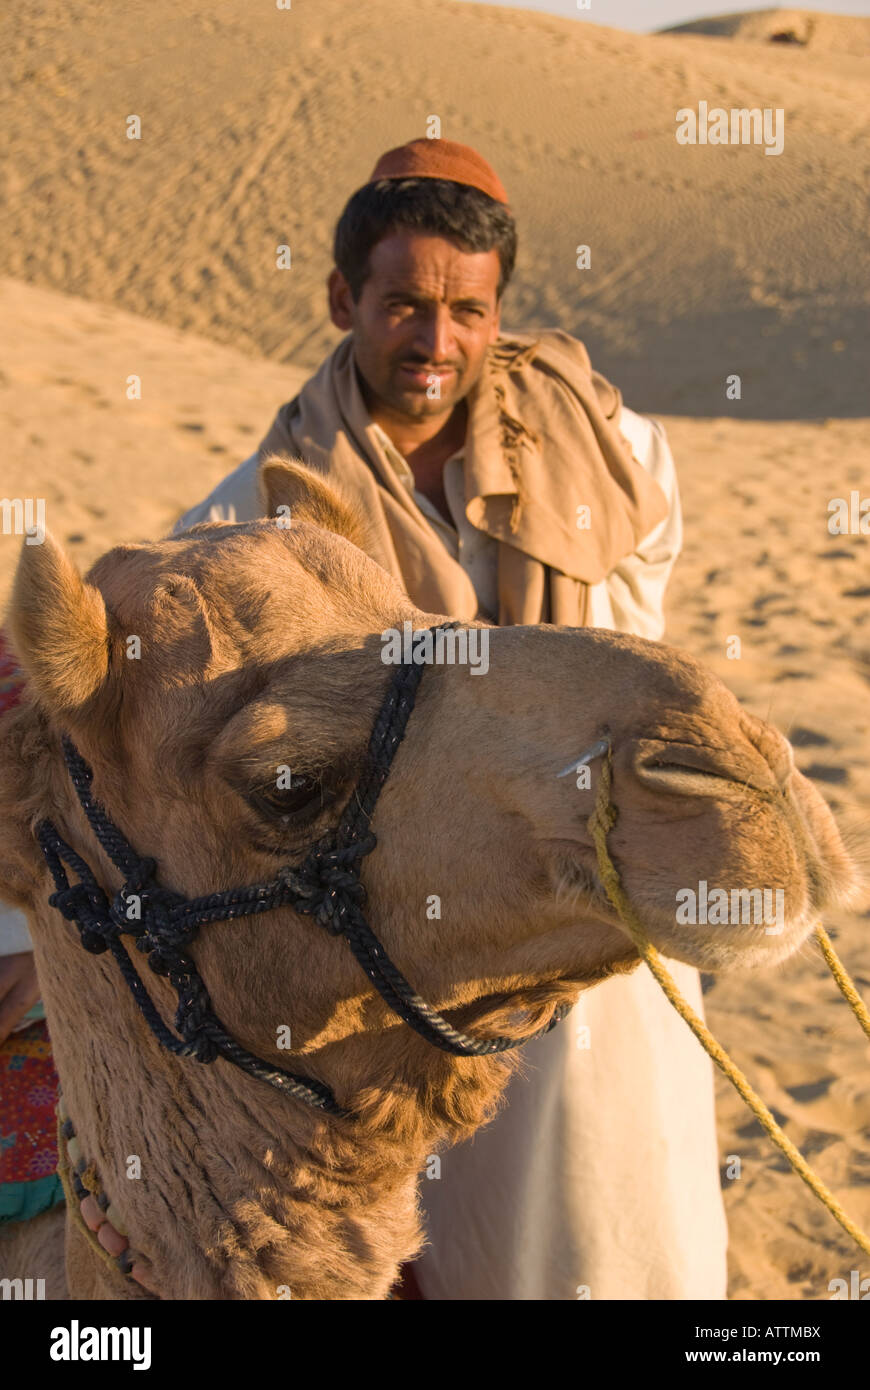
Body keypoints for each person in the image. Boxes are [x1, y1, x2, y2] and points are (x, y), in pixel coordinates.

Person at [0, 138, 727, 1299]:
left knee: (636, 1232)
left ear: (499, 312)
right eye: (404, 304)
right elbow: (140, 739)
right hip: (411, 947)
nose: (436, 343)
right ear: (345, 299)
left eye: (467, 310)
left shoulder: (617, 457)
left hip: (596, 918)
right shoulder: (256, 516)